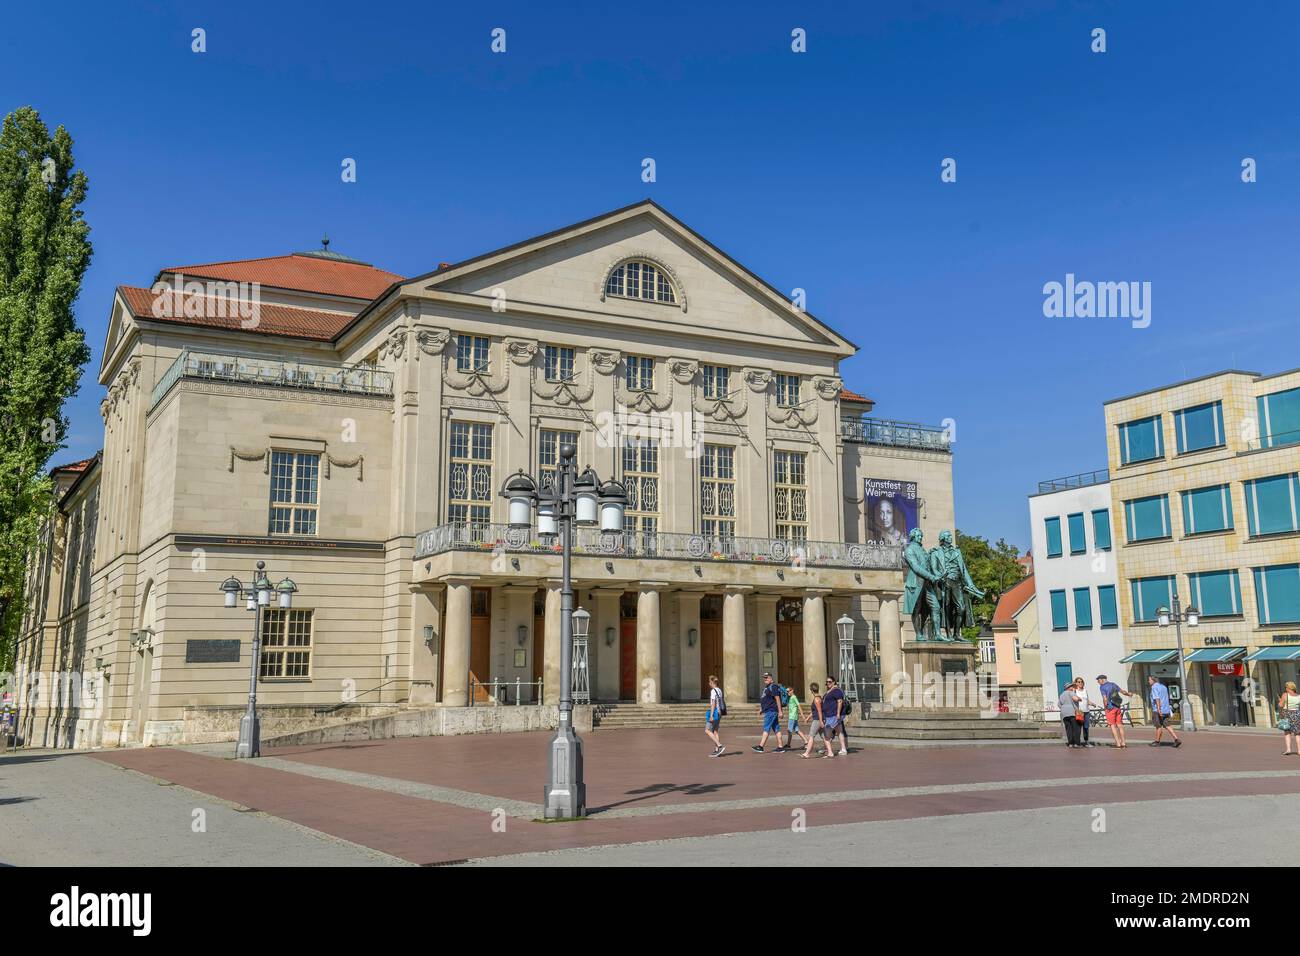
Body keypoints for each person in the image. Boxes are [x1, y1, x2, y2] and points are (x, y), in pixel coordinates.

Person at [1096, 674, 1136, 748]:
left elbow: (1105, 699)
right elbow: (1123, 692)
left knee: (1112, 726)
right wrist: (1128, 694)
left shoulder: (1102, 687)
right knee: (1120, 725)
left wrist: (1105, 708)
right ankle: (1123, 742)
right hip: (1117, 707)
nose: (1098, 682)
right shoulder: (1113, 684)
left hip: (1110, 708)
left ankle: (1118, 743)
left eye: (1098, 680)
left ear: (1102, 679)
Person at [753, 672, 785, 753]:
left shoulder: (773, 686)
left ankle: (761, 746)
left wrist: (780, 711)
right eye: (764, 678)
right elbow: (766, 700)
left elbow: (777, 699)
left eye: (767, 678)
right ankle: (780, 747)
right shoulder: (768, 687)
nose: (765, 679)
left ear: (771, 678)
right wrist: (762, 709)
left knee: (766, 728)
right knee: (776, 729)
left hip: (771, 711)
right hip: (769, 710)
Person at [1147, 675, 1183, 748]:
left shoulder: (1154, 687)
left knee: (1158, 726)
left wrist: (1159, 709)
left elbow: (1157, 699)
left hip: (1157, 710)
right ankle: (1176, 739)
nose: (1148, 681)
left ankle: (1157, 741)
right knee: (1167, 725)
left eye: (1149, 680)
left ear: (1153, 680)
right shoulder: (1163, 687)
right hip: (1166, 709)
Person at [801, 682, 833, 758]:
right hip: (819, 719)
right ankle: (830, 752)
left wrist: (821, 721)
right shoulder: (820, 698)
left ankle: (807, 753)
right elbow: (815, 711)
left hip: (817, 720)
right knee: (825, 737)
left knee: (811, 736)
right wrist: (808, 718)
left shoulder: (816, 699)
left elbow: (819, 711)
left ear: (811, 690)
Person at [822, 676, 846, 756]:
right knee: (839, 732)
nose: (828, 683)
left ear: (834, 682)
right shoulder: (830, 691)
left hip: (833, 715)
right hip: (829, 715)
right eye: (827, 682)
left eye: (830, 682)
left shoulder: (836, 690)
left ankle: (829, 752)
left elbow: (839, 701)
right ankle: (843, 749)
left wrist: (838, 713)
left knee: (826, 734)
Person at [783, 684, 810, 751]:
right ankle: (806, 741)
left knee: (789, 730)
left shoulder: (794, 697)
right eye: (786, 692)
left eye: (788, 691)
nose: (787, 693)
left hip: (792, 717)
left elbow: (799, 706)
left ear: (792, 691)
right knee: (797, 730)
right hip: (793, 716)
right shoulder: (790, 698)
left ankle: (788, 744)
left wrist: (802, 715)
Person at [705, 674, 725, 757]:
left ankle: (719, 745)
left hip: (715, 712)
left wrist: (711, 715)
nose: (709, 683)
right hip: (720, 712)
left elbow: (713, 703)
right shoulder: (719, 690)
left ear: (712, 682)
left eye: (709, 682)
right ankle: (717, 750)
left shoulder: (713, 691)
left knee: (707, 730)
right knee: (715, 731)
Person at [1278, 681, 1300, 756]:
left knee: (1287, 732)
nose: (1286, 689)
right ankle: (1299, 750)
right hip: (1297, 714)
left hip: (1287, 714)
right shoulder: (1298, 696)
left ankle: (1288, 749)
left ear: (1288, 688)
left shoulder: (1285, 695)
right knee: (1297, 733)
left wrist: (1280, 714)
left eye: (1286, 687)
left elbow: (1280, 705)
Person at [1059, 682, 1083, 748]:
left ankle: (1070, 743)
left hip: (1064, 713)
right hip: (1072, 712)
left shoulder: (1061, 695)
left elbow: (1059, 705)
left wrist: (1064, 708)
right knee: (1076, 728)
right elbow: (1075, 699)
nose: (1073, 687)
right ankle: (1076, 743)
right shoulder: (1071, 692)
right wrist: (1080, 699)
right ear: (1069, 688)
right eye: (1072, 686)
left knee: (1068, 728)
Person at [1073, 677, 1095, 746]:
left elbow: (1087, 700)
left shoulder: (1085, 690)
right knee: (1078, 727)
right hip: (1079, 711)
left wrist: (1092, 704)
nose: (1080, 683)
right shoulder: (1075, 691)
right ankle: (1077, 742)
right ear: (1076, 683)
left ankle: (1086, 742)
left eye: (1081, 682)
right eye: (1078, 682)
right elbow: (1073, 700)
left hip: (1086, 711)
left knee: (1086, 727)